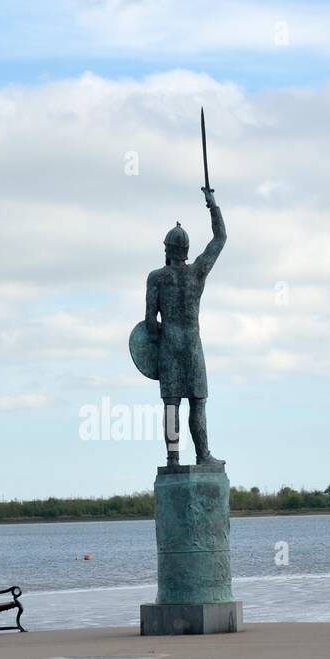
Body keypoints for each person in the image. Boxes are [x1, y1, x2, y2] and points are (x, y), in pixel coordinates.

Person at [144, 186, 226, 467]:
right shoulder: (197, 272)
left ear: (167, 250)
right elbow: (220, 238)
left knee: (171, 406)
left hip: (169, 348)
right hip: (192, 347)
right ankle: (203, 455)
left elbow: (149, 322)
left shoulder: (156, 278)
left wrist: (159, 337)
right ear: (187, 251)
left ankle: (173, 459)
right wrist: (212, 205)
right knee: (198, 403)